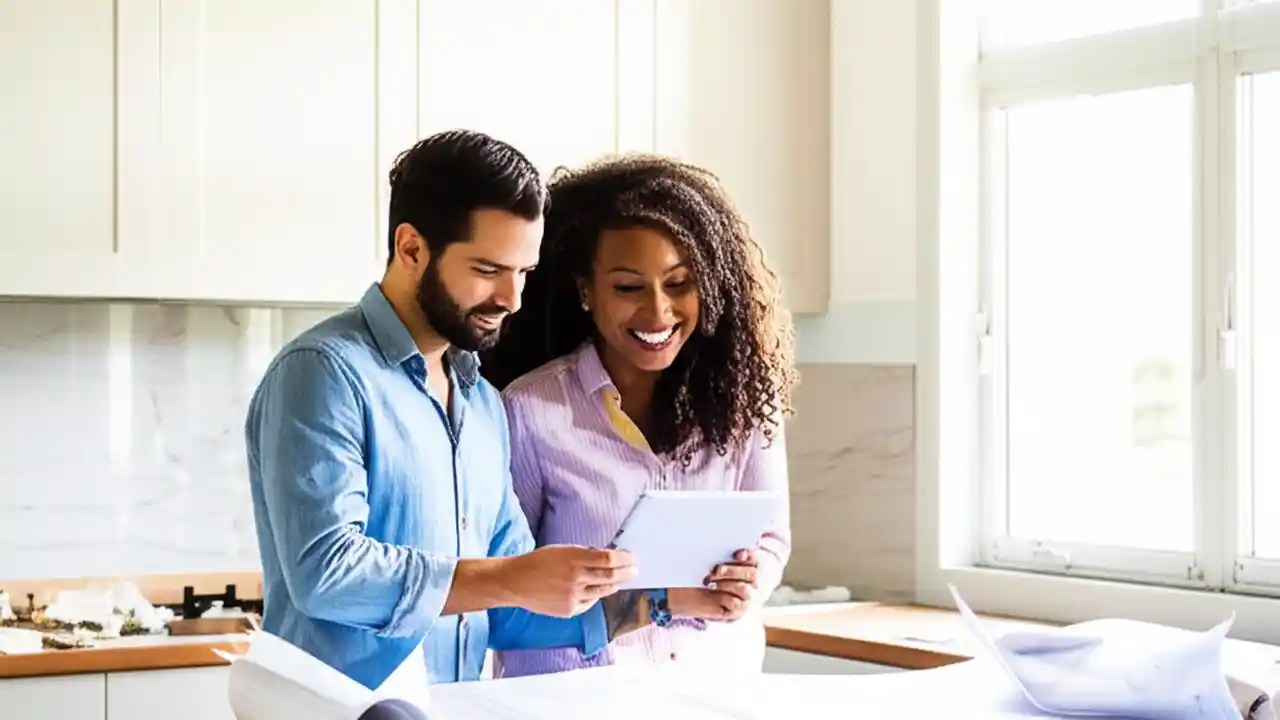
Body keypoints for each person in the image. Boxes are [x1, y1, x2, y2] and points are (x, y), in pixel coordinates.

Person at [243, 130, 646, 690]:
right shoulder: (323, 372)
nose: (512, 299)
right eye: (488, 270)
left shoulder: (482, 404)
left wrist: (657, 603)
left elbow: (507, 608)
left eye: (523, 272)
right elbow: (327, 573)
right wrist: (507, 577)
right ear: (411, 249)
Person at [480, 154, 799, 677]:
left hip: (712, 690)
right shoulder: (532, 410)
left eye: (679, 284)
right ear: (586, 291)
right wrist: (660, 599)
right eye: (628, 287)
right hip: (571, 700)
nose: (657, 312)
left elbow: (771, 538)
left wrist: (749, 581)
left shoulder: (744, 400)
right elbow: (505, 584)